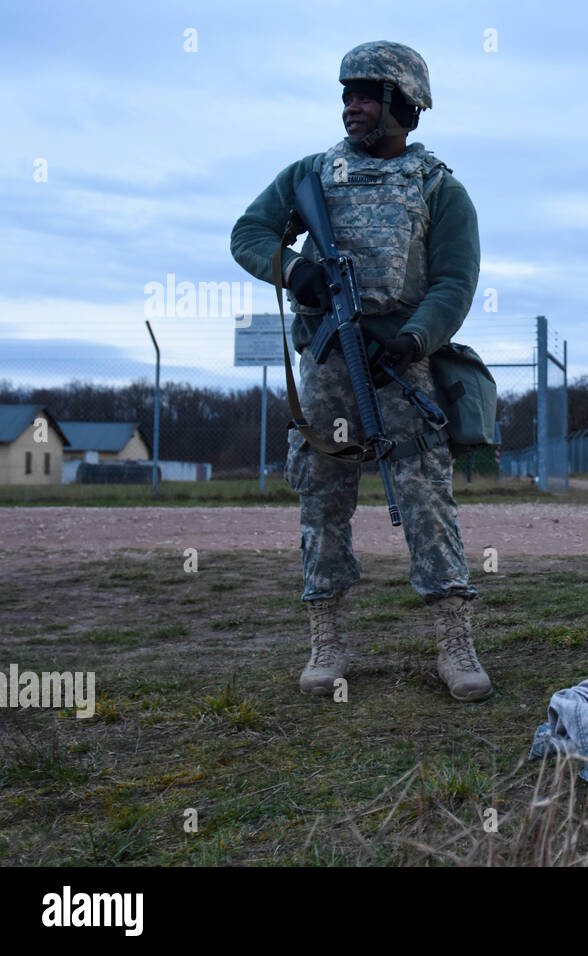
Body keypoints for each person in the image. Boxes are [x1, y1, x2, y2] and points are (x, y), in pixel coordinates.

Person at [230, 41, 491, 702]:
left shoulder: (439, 187)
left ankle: (454, 643)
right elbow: (249, 233)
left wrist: (411, 340)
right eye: (347, 94)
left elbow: (454, 282)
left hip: (401, 367)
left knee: (426, 498)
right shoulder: (312, 175)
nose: (352, 106)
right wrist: (295, 269)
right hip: (327, 363)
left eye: (368, 95)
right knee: (321, 498)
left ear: (404, 104)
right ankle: (329, 639)